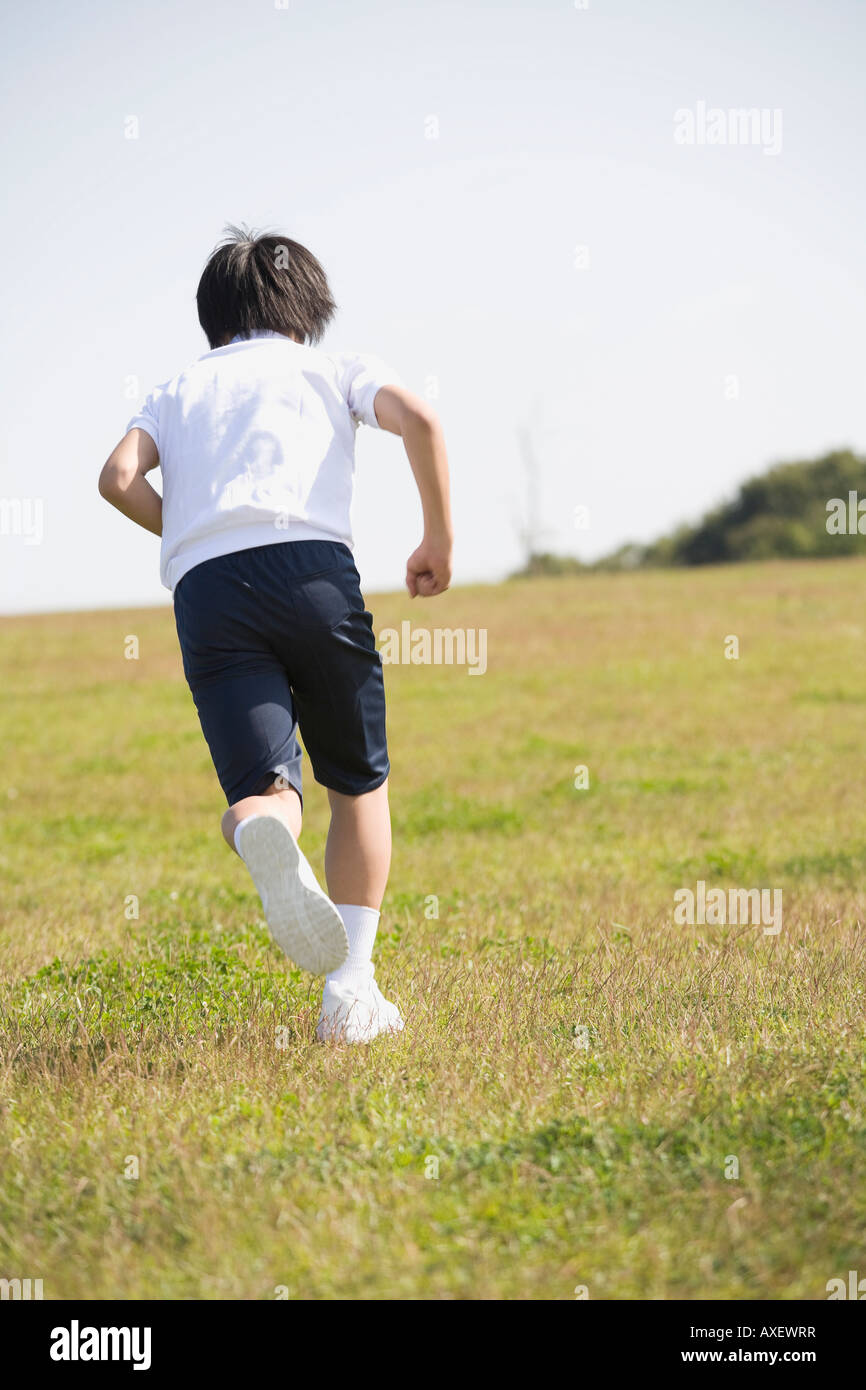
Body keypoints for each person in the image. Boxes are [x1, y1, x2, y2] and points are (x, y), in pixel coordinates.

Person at [98, 226, 453, 1043]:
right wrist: (437, 538)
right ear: (307, 308)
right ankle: (350, 992)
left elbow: (117, 477)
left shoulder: (178, 388)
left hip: (210, 592)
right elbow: (424, 421)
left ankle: (263, 827)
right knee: (357, 783)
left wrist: (186, 529)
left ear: (212, 317)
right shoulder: (335, 367)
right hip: (316, 576)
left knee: (264, 789)